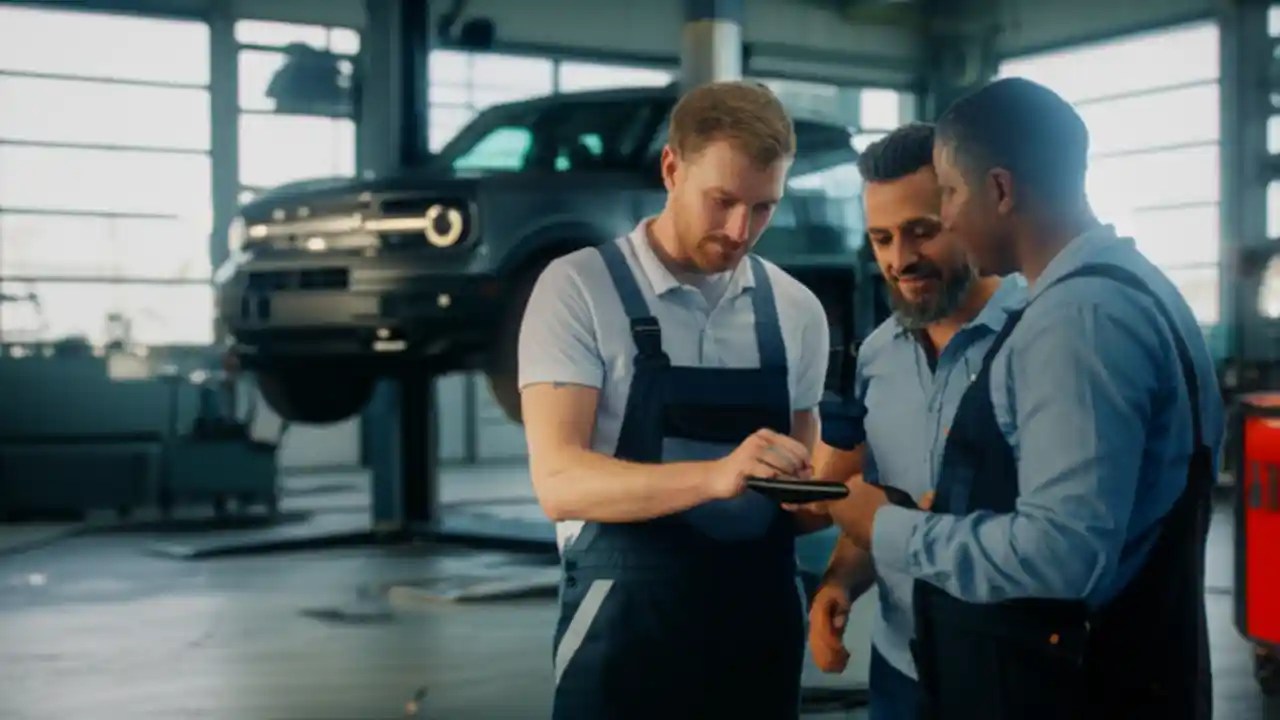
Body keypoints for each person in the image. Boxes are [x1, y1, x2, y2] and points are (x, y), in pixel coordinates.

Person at [828, 77, 1223, 719]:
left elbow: (1063, 555)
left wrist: (888, 527)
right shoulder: (1133, 287)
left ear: (1001, 191)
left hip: (1080, 687)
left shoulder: (1075, 321)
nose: (948, 219)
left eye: (949, 196)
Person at [517, 80, 832, 720]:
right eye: (722, 201)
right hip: (622, 629)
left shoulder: (796, 311)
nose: (741, 229)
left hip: (759, 628)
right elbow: (559, 481)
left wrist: (848, 491)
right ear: (671, 168)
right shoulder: (578, 288)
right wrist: (717, 477)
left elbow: (804, 500)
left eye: (764, 207)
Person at [805, 122, 1026, 720]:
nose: (900, 260)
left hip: (1016, 679)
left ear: (966, 208)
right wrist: (838, 586)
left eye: (921, 232)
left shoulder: (1041, 339)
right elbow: (878, 518)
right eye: (881, 239)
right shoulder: (875, 358)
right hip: (900, 673)